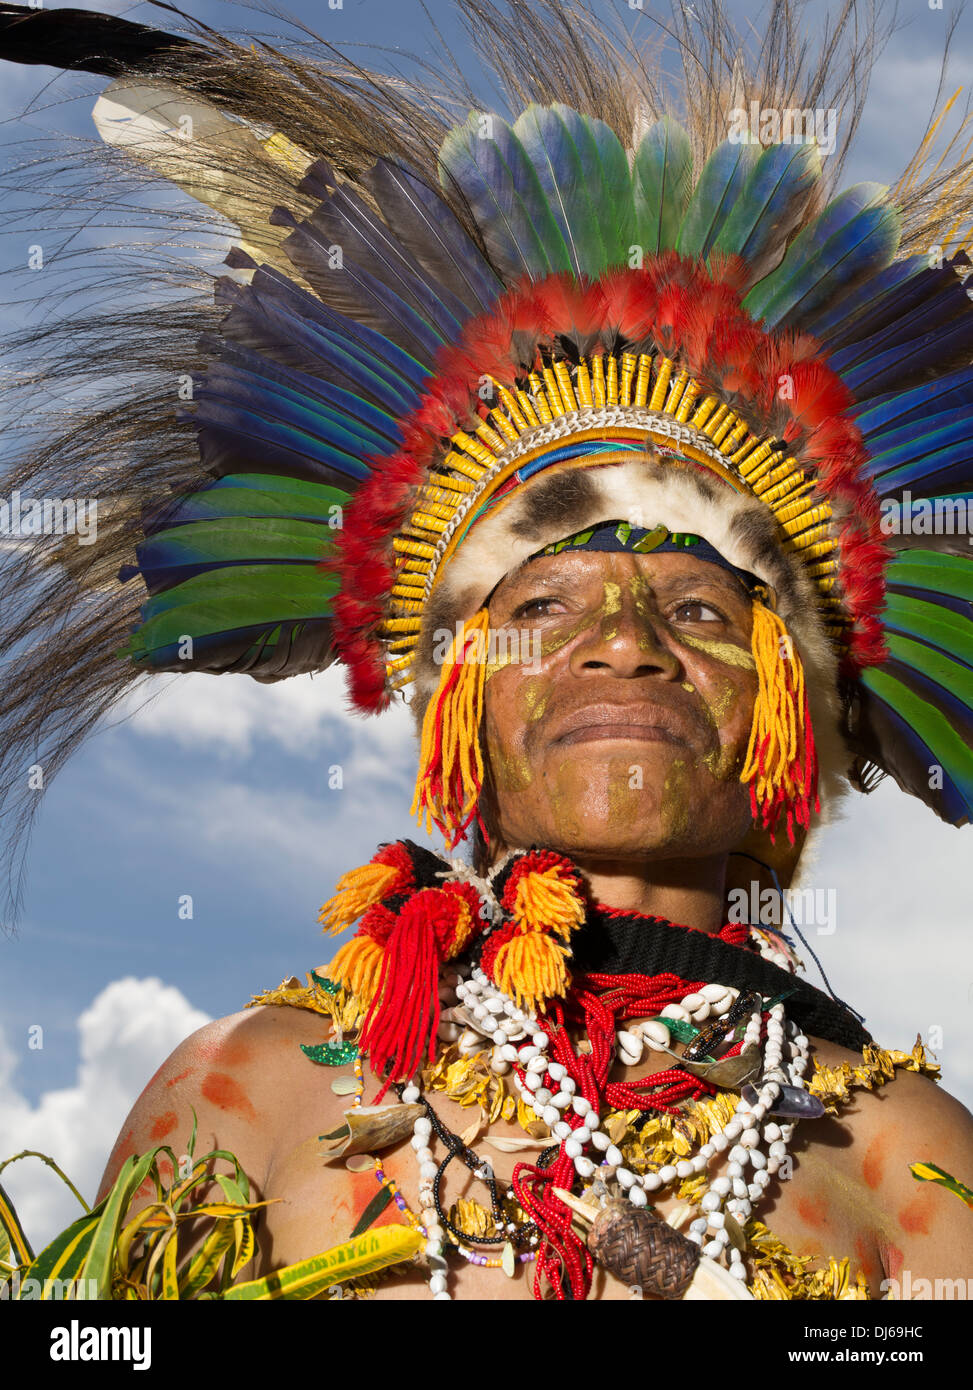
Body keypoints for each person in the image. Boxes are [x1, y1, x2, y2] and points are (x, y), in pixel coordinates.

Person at [2, 0, 972, 1300]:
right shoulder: (252, 1094)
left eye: (695, 610)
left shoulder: (904, 1164)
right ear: (455, 690)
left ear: (786, 706)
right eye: (541, 607)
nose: (621, 645)